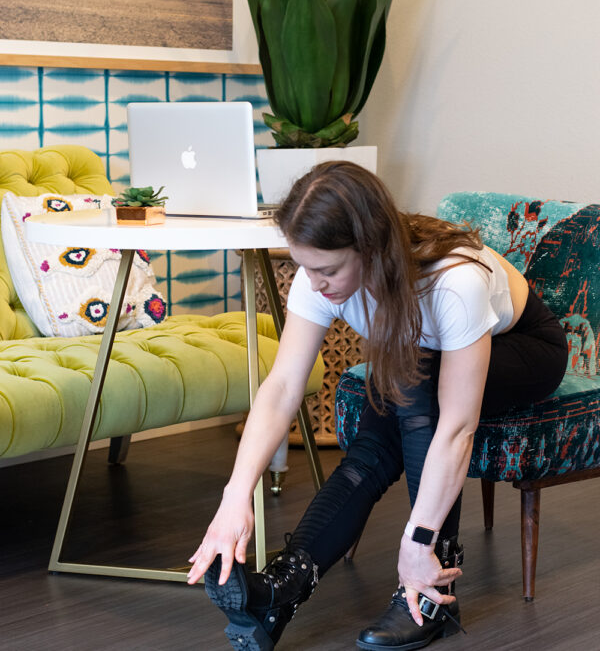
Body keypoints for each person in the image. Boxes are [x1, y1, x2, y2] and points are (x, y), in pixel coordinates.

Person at [187, 162, 568, 651]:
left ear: (371, 248)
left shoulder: (453, 282)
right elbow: (281, 386)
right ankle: (283, 588)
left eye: (327, 270)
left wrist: (418, 540)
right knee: (374, 439)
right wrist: (235, 495)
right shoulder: (318, 277)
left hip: (526, 347)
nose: (314, 283)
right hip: (424, 360)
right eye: (306, 267)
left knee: (415, 383)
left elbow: (456, 428)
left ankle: (432, 588)